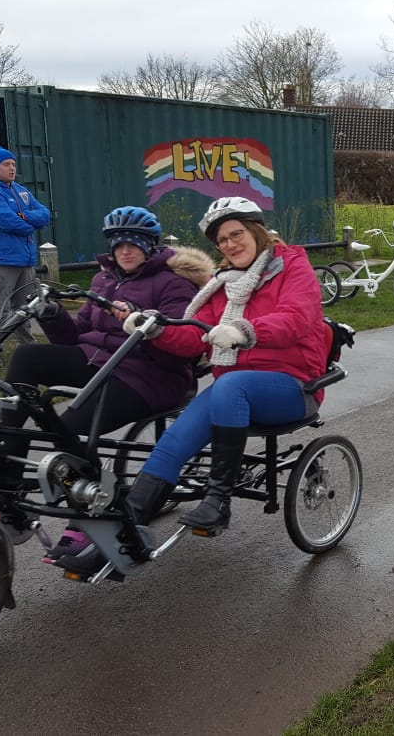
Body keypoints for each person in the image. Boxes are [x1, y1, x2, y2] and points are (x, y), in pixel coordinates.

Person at [44, 196, 329, 575]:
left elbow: (297, 317)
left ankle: (218, 499)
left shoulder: (292, 266)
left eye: (236, 233)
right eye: (221, 240)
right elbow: (194, 338)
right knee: (173, 442)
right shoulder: (220, 284)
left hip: (293, 385)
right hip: (234, 391)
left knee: (231, 386)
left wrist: (246, 330)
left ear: (257, 232)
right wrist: (157, 329)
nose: (230, 244)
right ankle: (116, 541)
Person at [0, 206, 215, 564]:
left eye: (134, 244)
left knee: (71, 431)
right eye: (118, 244)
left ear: (150, 246)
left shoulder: (173, 283)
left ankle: (95, 513)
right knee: (28, 358)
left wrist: (140, 322)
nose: (125, 250)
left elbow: (187, 343)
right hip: (97, 362)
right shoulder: (104, 280)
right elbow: (77, 336)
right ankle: (5, 479)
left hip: (150, 375)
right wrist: (54, 318)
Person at [0, 146, 52, 354]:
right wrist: (29, 224)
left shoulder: (21, 190)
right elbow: (10, 223)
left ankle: (29, 350)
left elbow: (44, 214)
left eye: (13, 164)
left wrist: (25, 217)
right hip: (0, 261)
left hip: (24, 260)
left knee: (24, 309)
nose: (12, 168)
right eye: (6, 164)